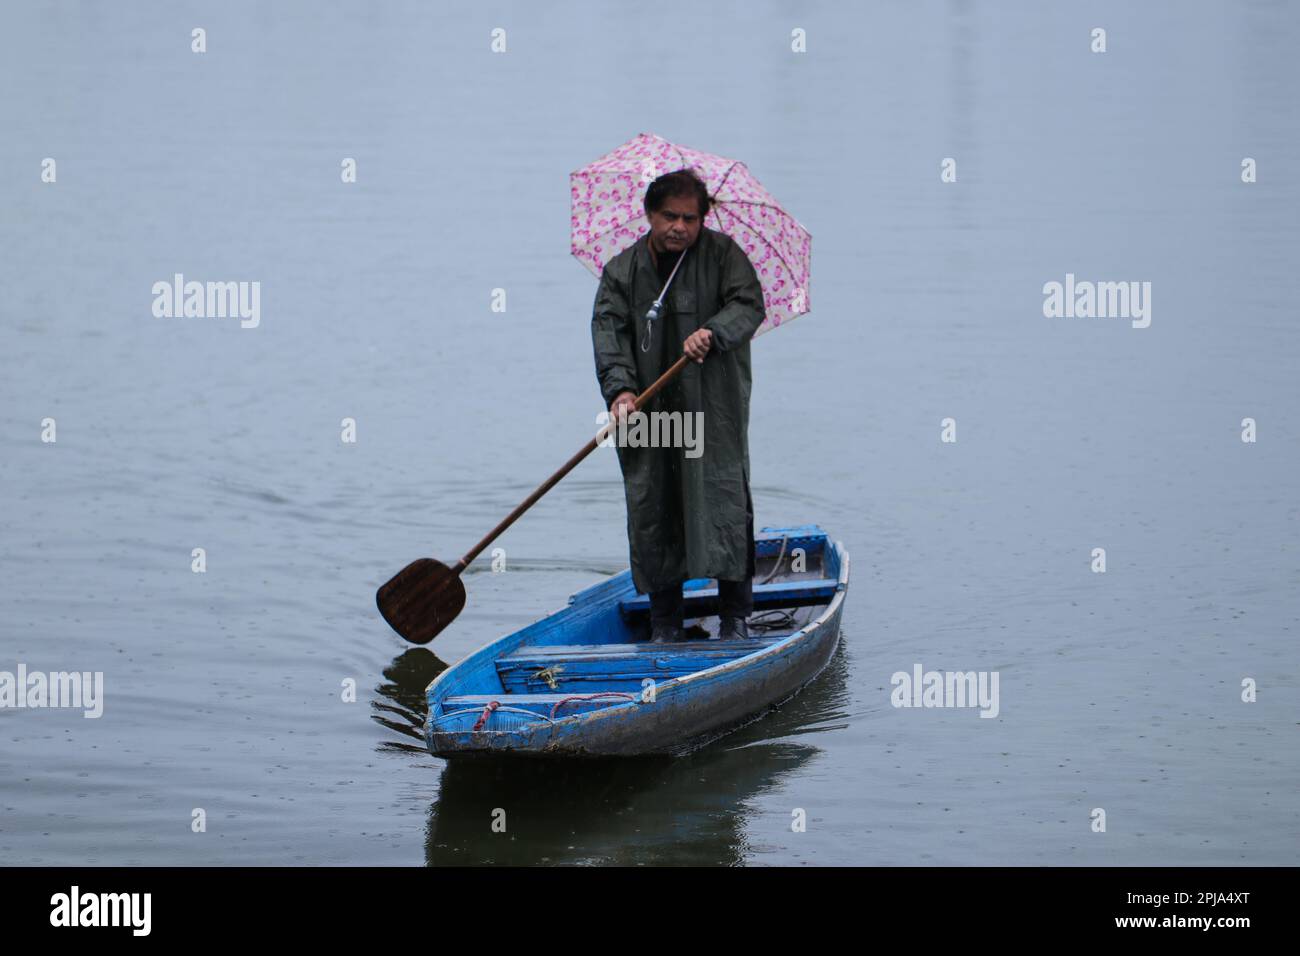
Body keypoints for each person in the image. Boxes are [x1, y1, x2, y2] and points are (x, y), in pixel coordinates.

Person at [590, 169, 766, 642]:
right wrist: (621, 390)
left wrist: (715, 330)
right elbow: (609, 334)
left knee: (723, 499)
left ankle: (735, 616)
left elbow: (749, 304)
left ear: (702, 219)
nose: (679, 227)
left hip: (713, 411)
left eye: (690, 218)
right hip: (650, 411)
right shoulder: (621, 272)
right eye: (670, 216)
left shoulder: (724, 256)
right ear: (650, 214)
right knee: (654, 501)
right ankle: (666, 622)